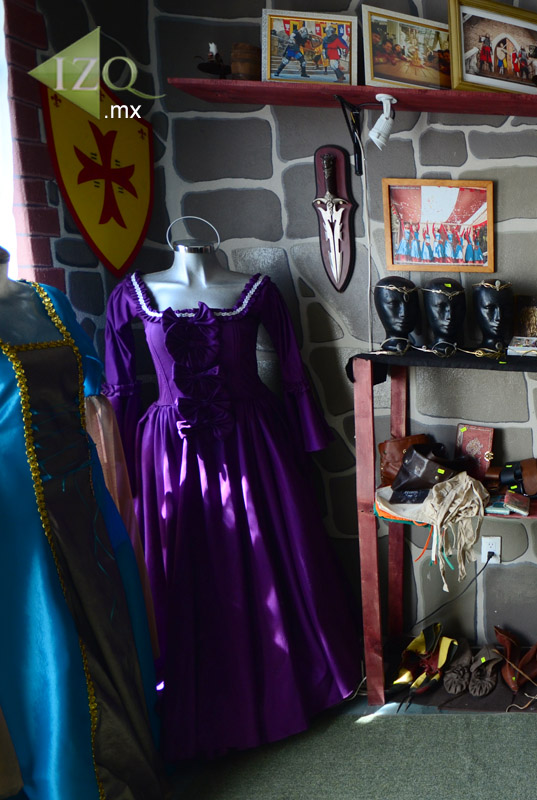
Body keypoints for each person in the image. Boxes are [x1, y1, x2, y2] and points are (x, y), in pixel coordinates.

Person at [103, 229, 359, 761]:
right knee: (185, 566)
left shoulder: (256, 291)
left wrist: (307, 437)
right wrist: (121, 465)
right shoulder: (131, 297)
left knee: (270, 556)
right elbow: (122, 385)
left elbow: (292, 371)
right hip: (171, 452)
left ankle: (290, 687)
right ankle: (197, 706)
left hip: (252, 444)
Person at [0, 256, 168, 798]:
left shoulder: (49, 302)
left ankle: (127, 759)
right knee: (49, 636)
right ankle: (66, 778)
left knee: (110, 618)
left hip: (81, 486)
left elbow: (91, 390)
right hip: (15, 504)